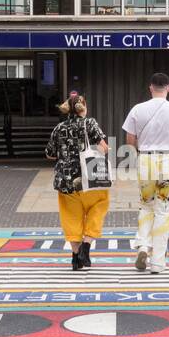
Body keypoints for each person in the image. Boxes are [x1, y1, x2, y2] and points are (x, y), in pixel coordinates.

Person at [123, 72, 169, 275]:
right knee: (164, 209)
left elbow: (130, 140)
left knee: (146, 205)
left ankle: (143, 245)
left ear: (151, 87)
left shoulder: (138, 109)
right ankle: (157, 262)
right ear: (168, 88)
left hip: (145, 159)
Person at [45, 93, 110, 271]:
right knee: (99, 206)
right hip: (91, 177)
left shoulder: (59, 128)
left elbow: (50, 153)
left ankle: (75, 258)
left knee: (71, 217)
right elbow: (102, 147)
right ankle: (86, 247)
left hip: (66, 181)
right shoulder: (89, 123)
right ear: (84, 107)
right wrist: (103, 149)